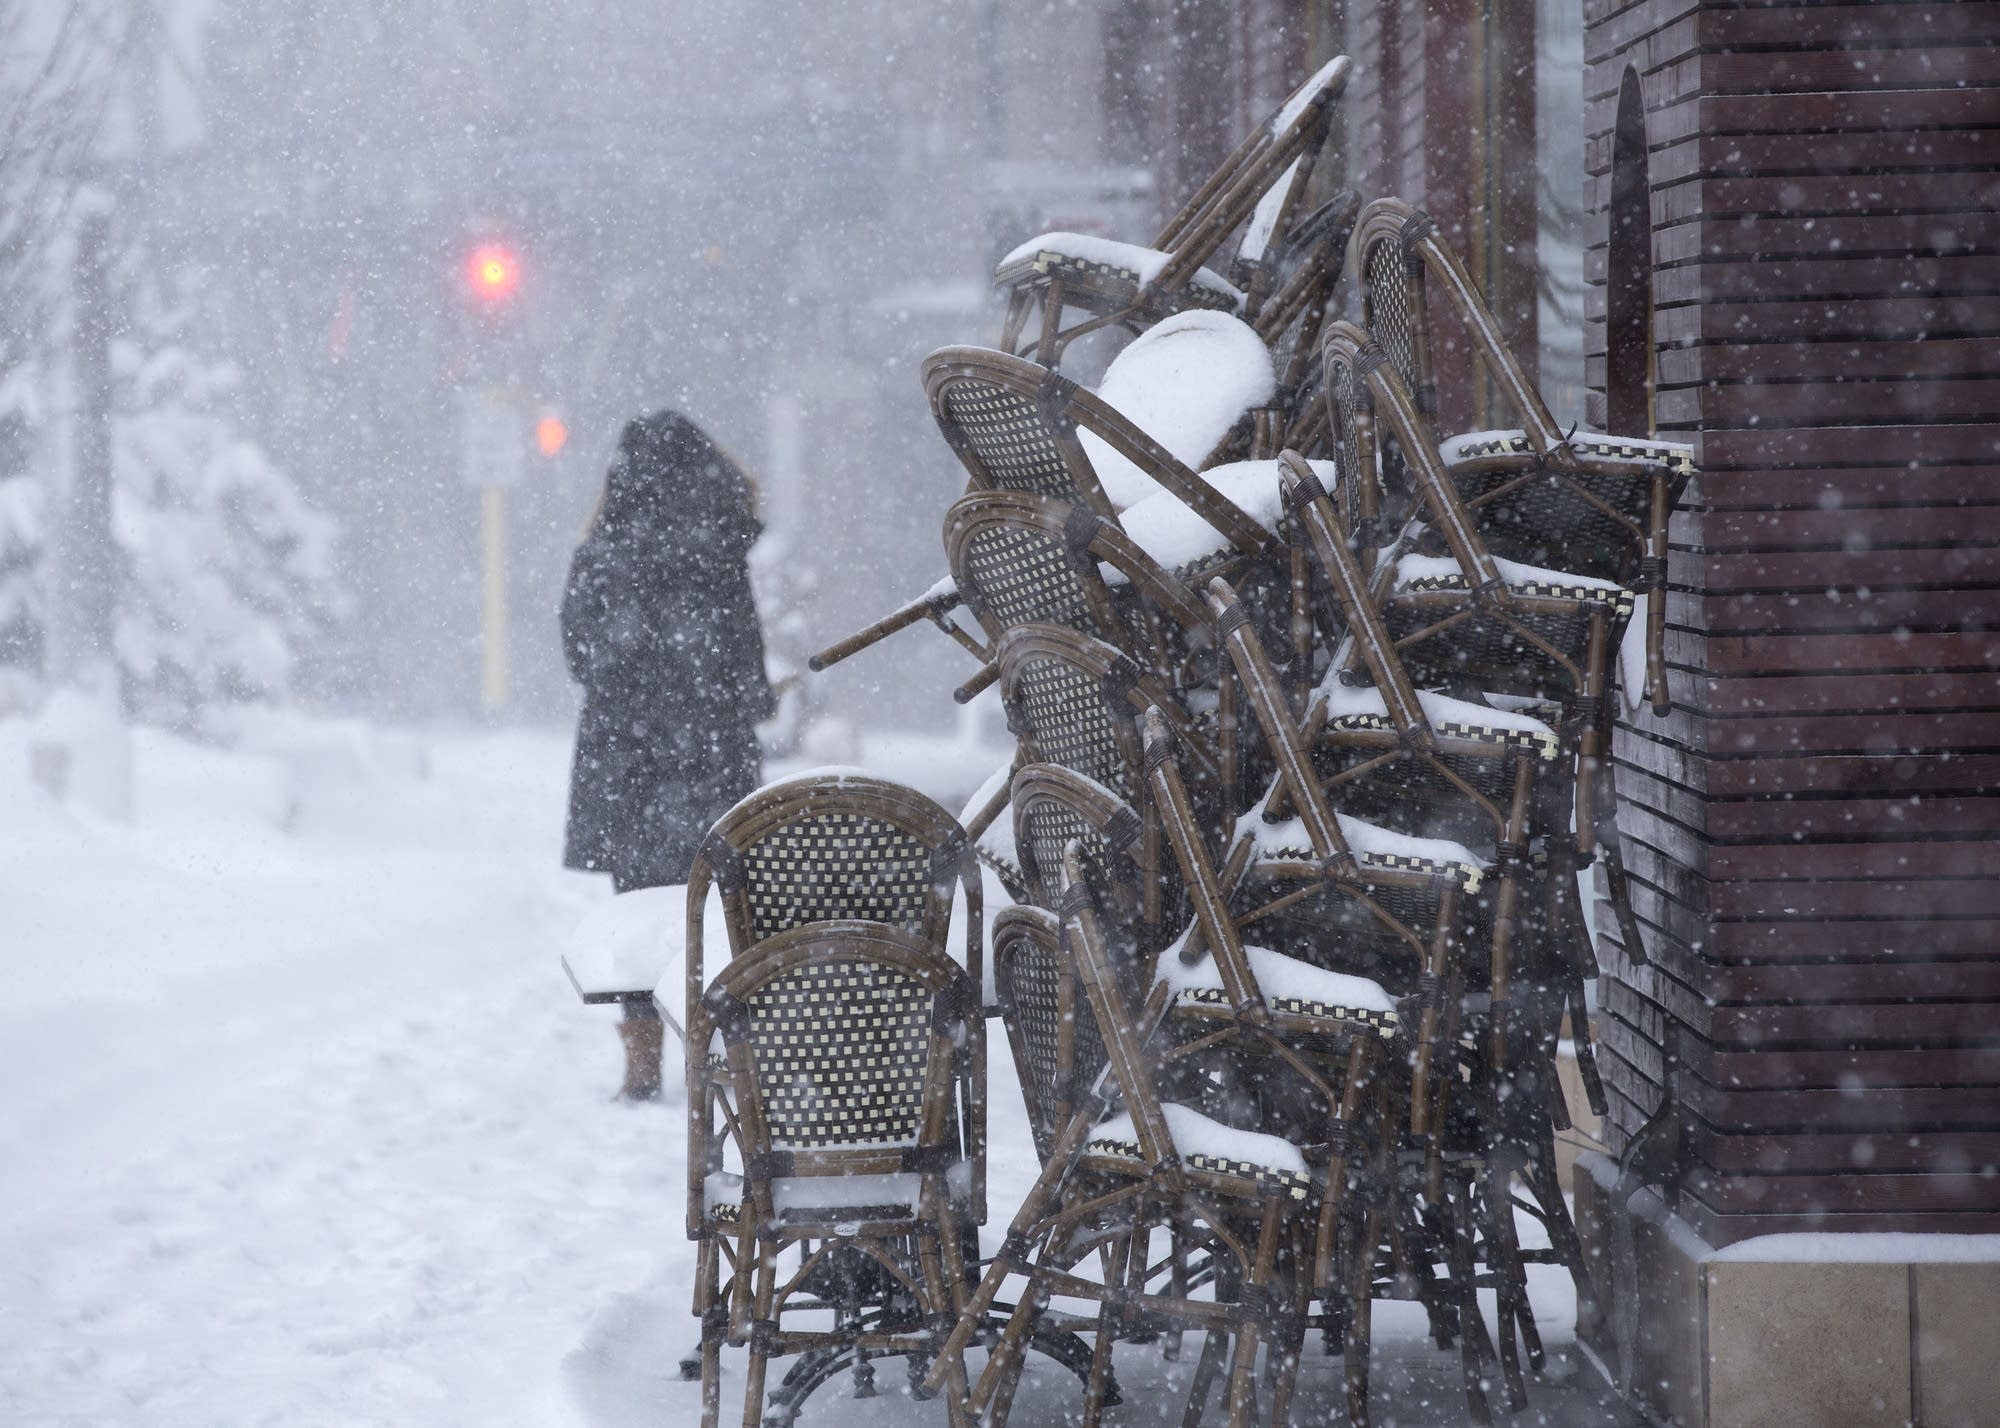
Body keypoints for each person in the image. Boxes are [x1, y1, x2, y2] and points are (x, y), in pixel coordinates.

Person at [561, 410, 774, 1098]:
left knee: (637, 907)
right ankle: (723, 1056)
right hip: (712, 756)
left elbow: (582, 655)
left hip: (627, 762)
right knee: (721, 908)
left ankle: (642, 1064)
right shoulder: (720, 553)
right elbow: (744, 664)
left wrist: (636, 682)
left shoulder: (604, 552)